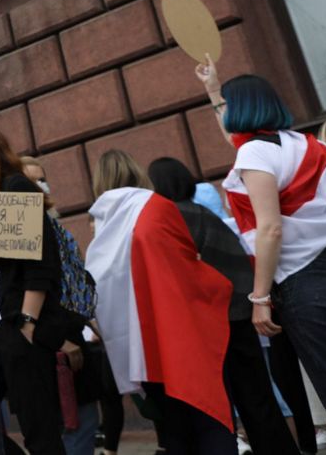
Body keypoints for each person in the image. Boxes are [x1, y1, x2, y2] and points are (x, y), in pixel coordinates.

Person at [196, 61, 326, 443]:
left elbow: (270, 228)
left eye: (229, 104)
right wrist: (214, 89)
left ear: (242, 108)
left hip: (299, 282)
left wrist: (259, 297)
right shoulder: (310, 147)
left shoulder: (255, 156)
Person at [86, 150, 236, 455]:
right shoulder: (155, 207)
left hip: (140, 352)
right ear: (138, 172)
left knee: (173, 430)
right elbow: (187, 266)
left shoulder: (100, 230)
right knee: (209, 420)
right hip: (183, 335)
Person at [148, 156, 299, 455]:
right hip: (239, 316)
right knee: (258, 398)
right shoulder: (206, 214)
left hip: (205, 328)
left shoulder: (167, 221)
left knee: (216, 408)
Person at [0, 120, 80, 455]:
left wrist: (26, 325)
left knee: (40, 432)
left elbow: (41, 267)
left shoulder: (15, 187)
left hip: (17, 328)